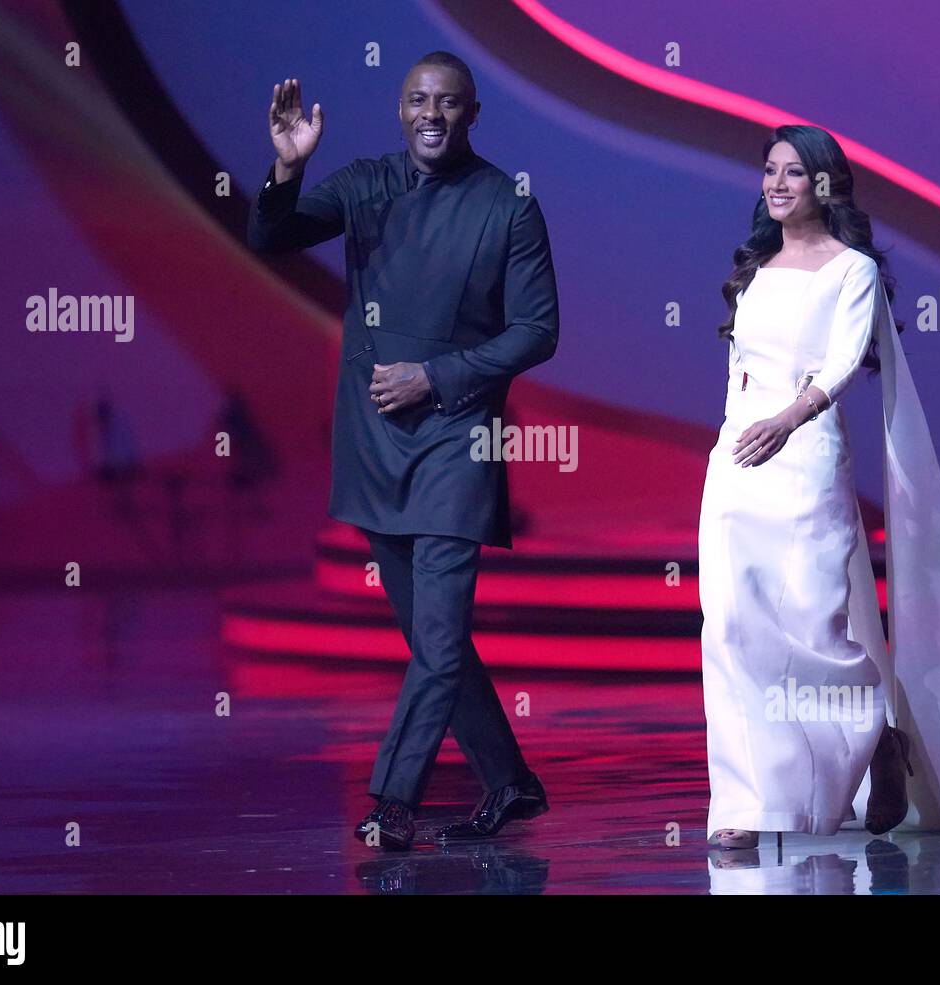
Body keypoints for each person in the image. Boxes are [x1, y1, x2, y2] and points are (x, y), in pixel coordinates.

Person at [698, 124, 940, 848]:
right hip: (737, 460)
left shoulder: (852, 269)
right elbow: (738, 365)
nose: (776, 184)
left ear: (824, 184)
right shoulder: (754, 266)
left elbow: (841, 363)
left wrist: (788, 417)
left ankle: (878, 734)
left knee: (814, 626)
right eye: (769, 171)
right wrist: (738, 432)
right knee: (732, 626)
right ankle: (745, 802)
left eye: (793, 173)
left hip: (804, 455)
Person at [246, 52, 559, 850]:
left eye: (449, 103)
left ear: (473, 113)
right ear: (399, 109)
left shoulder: (508, 204)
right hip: (376, 441)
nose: (432, 113)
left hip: (457, 436)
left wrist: (437, 375)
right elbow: (272, 236)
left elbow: (537, 330)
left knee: (442, 641)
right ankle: (511, 781)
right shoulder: (364, 185)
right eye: (418, 99)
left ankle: (394, 799)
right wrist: (288, 167)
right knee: (434, 644)